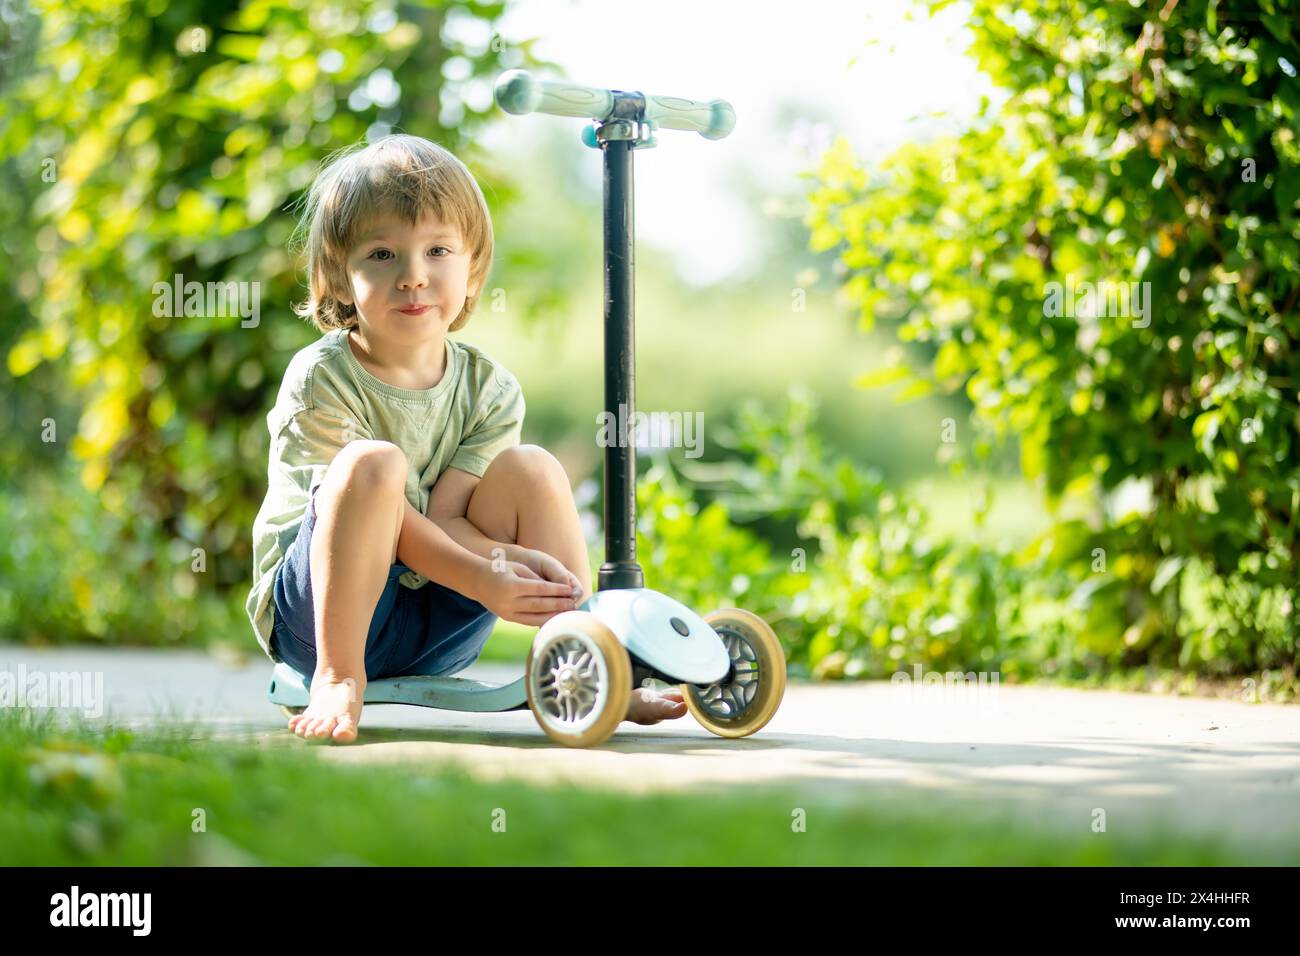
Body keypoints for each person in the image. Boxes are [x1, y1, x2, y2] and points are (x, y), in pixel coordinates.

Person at [246, 134, 685, 743]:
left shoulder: (489, 388)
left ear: (472, 268)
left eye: (437, 250)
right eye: (381, 255)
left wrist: (508, 563)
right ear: (338, 278)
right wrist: (484, 575)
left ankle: (592, 657)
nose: (412, 277)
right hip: (319, 614)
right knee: (372, 467)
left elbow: (449, 522)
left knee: (531, 467)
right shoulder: (322, 377)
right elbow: (391, 523)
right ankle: (339, 678)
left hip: (437, 622)